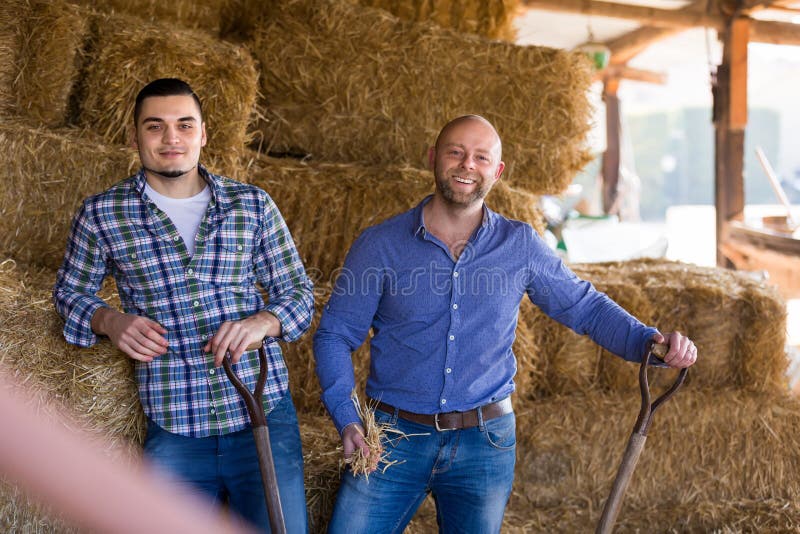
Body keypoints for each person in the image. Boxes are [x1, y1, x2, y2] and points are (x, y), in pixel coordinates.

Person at [313, 115, 697, 533]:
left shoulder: (520, 245)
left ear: (497, 172)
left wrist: (650, 344)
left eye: (481, 157)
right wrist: (347, 416)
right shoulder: (380, 246)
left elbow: (584, 308)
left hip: (485, 442)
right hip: (389, 438)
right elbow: (335, 334)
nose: (467, 165)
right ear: (433, 159)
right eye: (455, 152)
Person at [53, 78, 314, 532]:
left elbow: (299, 294)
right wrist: (108, 319)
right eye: (155, 127)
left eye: (184, 125)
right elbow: (68, 294)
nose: (171, 138)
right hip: (174, 425)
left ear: (204, 134)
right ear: (134, 137)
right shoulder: (102, 214)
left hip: (261, 417)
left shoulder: (251, 206)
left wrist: (263, 322)